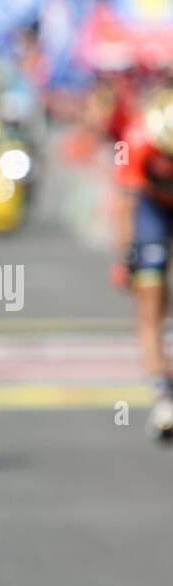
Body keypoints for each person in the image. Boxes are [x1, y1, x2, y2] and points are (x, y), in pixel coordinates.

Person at [114, 85, 173, 441]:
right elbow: (126, 203)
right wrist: (126, 256)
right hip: (152, 209)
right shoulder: (135, 138)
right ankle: (161, 392)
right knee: (150, 299)